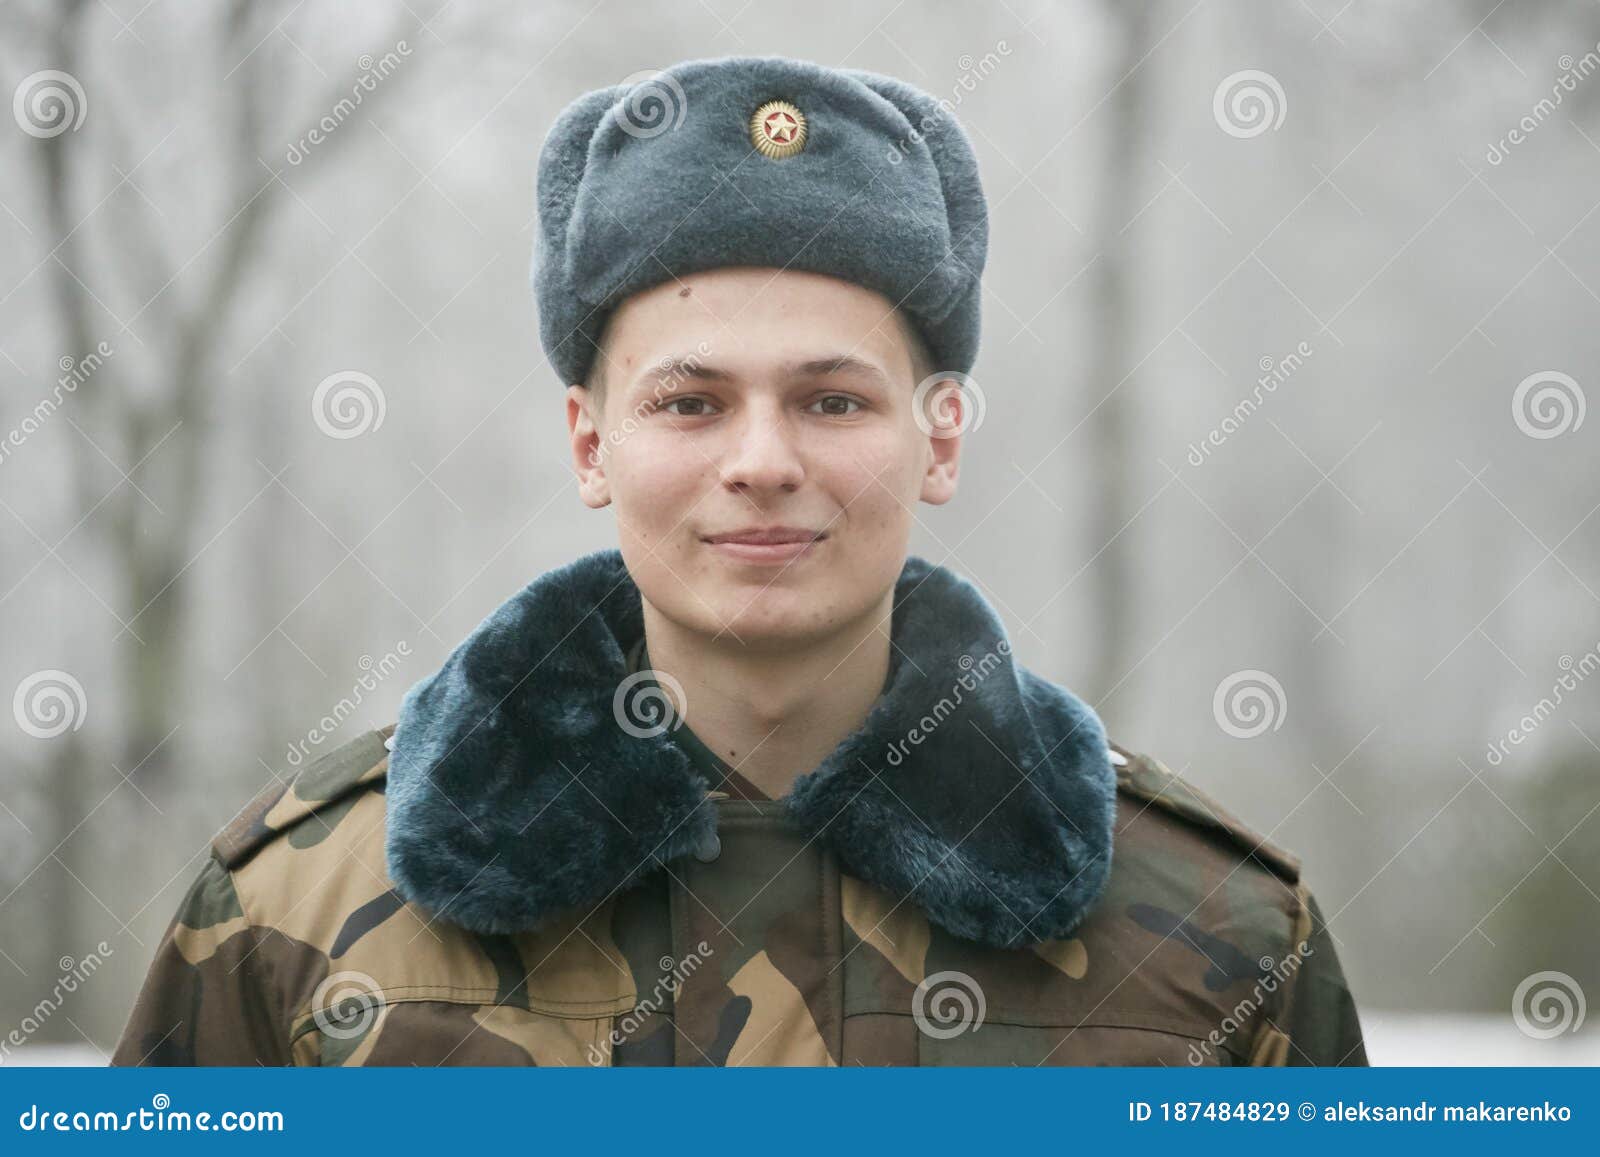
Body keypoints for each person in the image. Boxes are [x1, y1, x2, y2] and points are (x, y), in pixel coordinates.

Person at [113, 54, 1366, 1067]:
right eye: (690, 402)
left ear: (938, 438)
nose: (762, 460)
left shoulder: (1217, 943)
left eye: (831, 401)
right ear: (589, 441)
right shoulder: (296, 924)